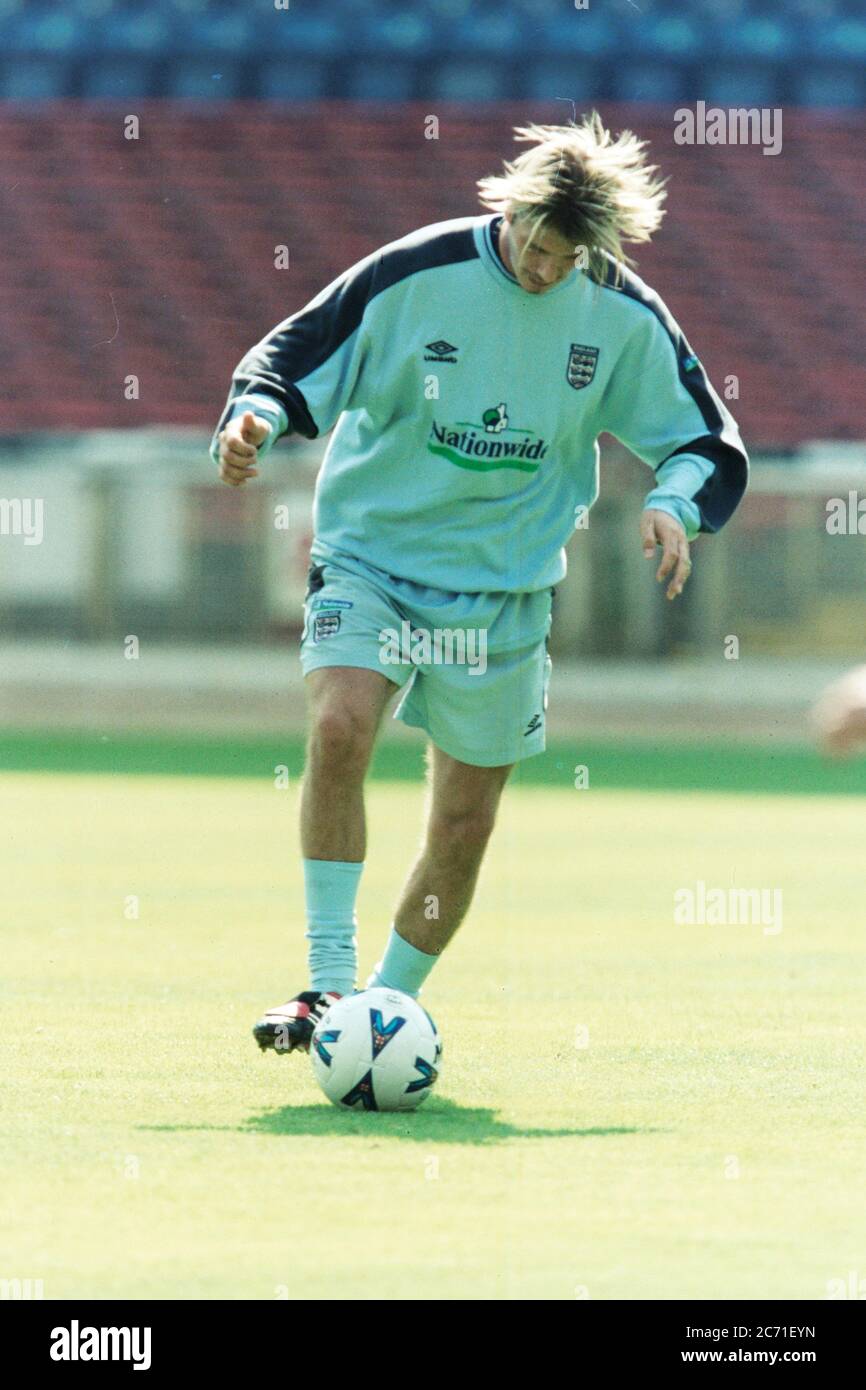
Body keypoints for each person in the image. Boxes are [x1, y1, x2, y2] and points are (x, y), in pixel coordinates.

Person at [210, 112, 749, 1055]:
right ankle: (327, 991)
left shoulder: (622, 315)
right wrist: (254, 416)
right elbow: (293, 355)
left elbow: (708, 440)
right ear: (507, 209)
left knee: (463, 820)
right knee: (338, 727)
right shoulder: (416, 273)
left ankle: (383, 1012)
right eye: (531, 244)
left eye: (562, 257)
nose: (540, 268)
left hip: (503, 591)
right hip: (372, 556)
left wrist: (675, 501)